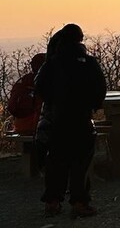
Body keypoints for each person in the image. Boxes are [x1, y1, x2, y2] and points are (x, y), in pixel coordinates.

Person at [35, 24, 107, 217]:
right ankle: (80, 202)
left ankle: (53, 201)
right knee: (81, 162)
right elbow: (100, 87)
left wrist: (53, 101)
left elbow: (39, 86)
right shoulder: (89, 62)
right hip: (83, 119)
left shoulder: (52, 62)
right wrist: (93, 104)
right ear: (80, 39)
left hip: (58, 119)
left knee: (56, 160)